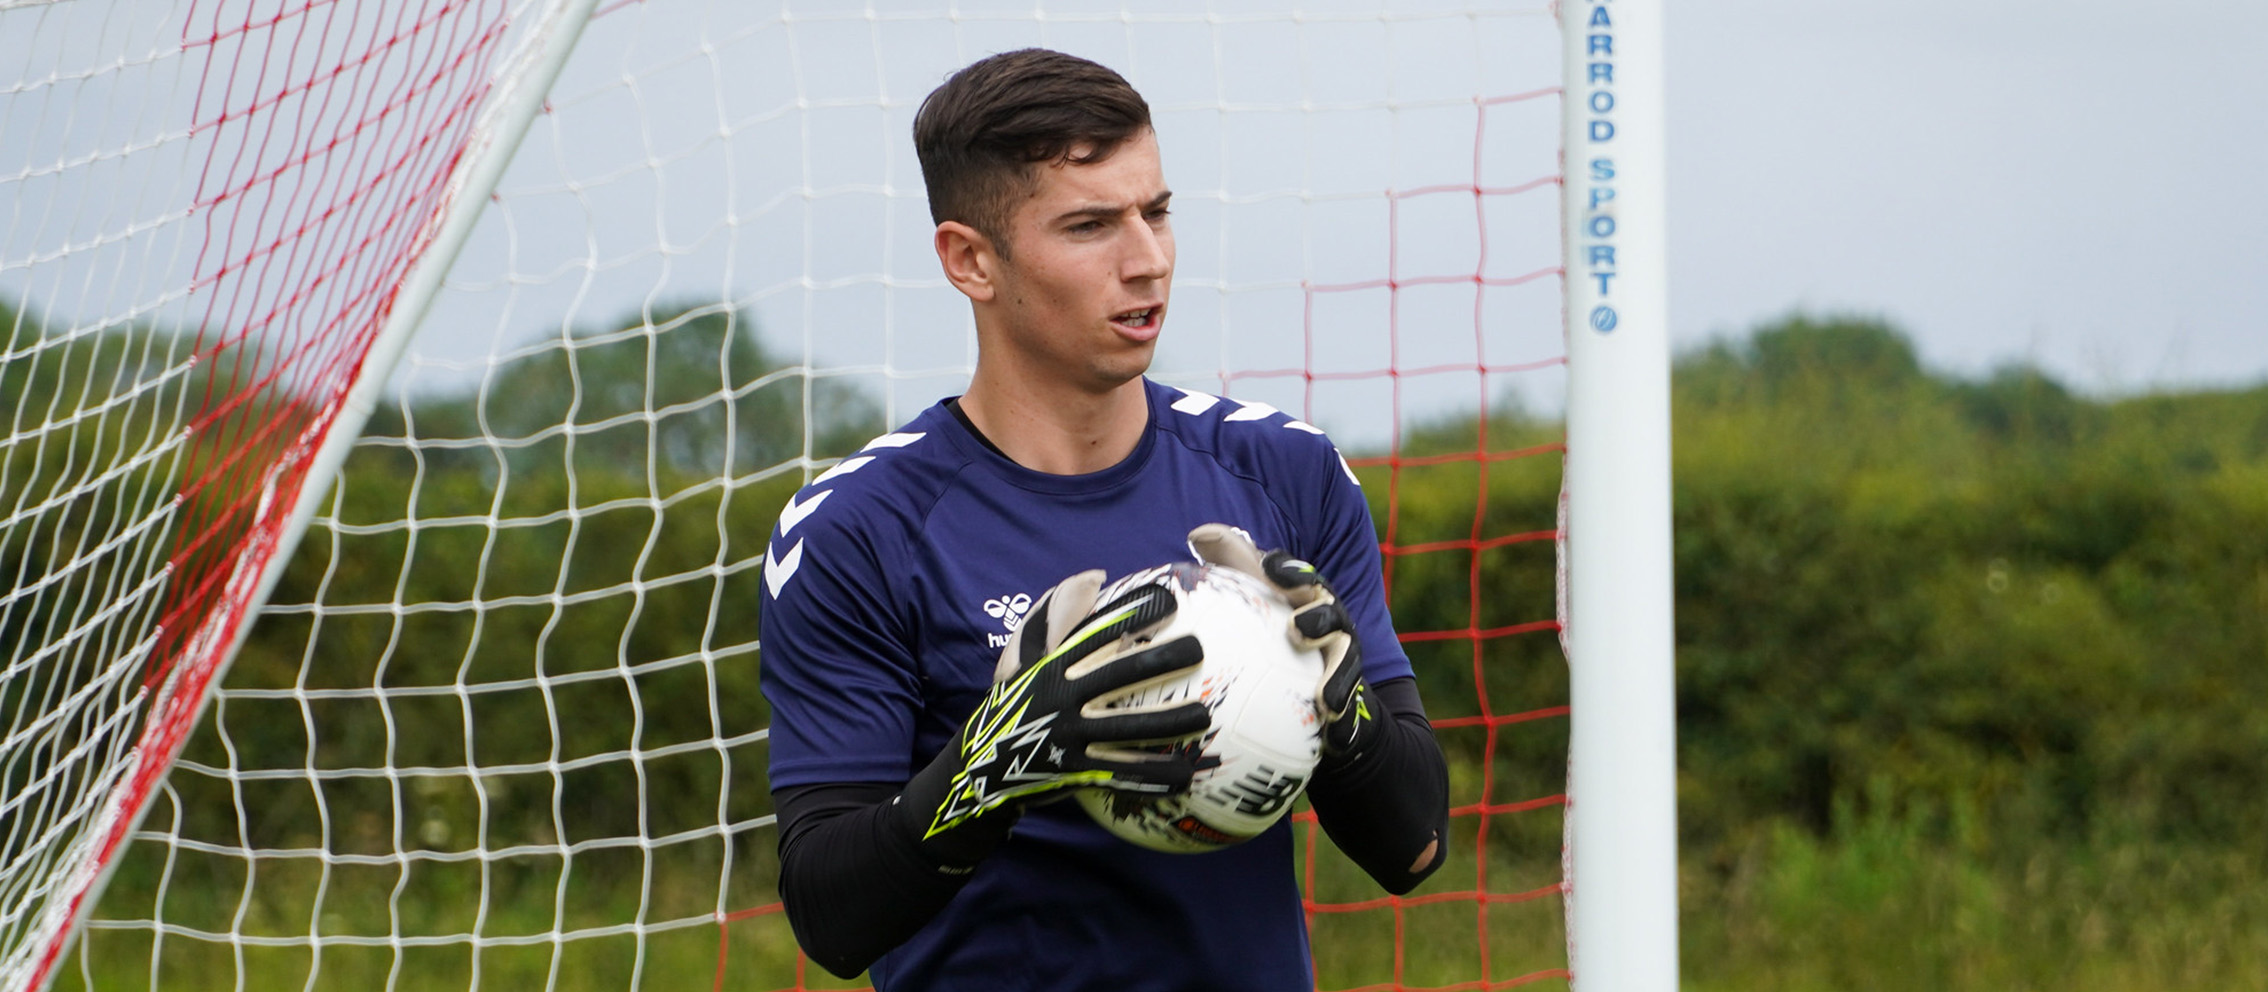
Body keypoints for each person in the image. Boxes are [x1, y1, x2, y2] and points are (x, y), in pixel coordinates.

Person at [757, 48, 1449, 991]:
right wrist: (995, 768)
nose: (1148, 259)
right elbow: (831, 921)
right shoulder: (859, 529)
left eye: (1156, 212)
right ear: (971, 260)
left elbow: (1415, 848)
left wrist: (1344, 717)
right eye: (1090, 226)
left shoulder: (1286, 474)